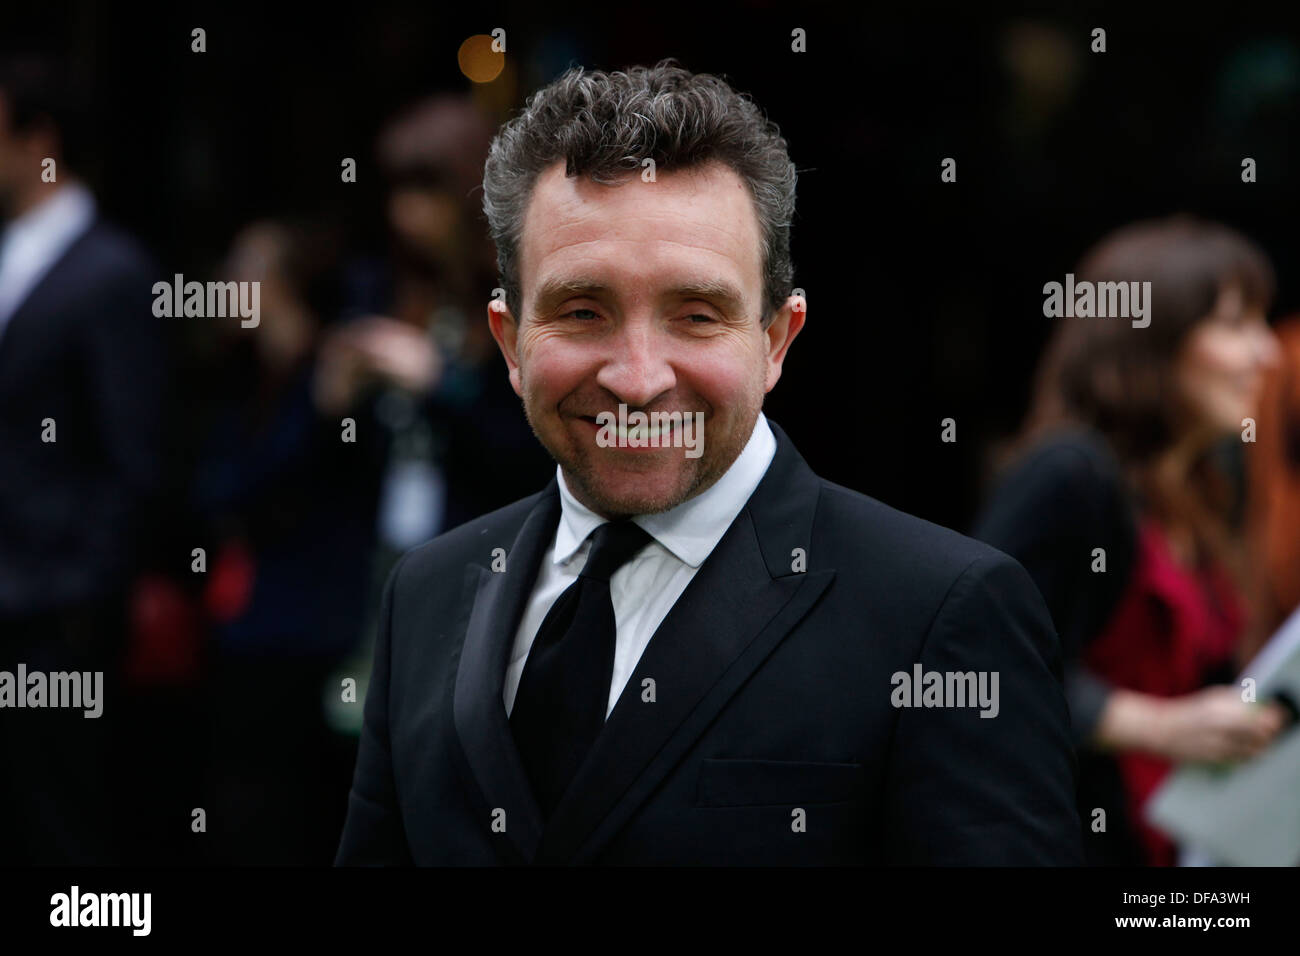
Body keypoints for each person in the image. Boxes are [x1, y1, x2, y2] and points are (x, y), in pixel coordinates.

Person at [336, 60, 1082, 866]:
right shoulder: (427, 594)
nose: (638, 376)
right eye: (583, 311)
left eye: (696, 315)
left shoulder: (940, 615)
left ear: (775, 341)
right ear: (509, 342)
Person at [972, 217, 1290, 866]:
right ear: (1149, 341)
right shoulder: (1070, 472)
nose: (1269, 353)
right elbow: (979, 668)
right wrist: (1160, 726)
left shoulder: (1200, 492)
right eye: (1235, 324)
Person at [0, 53, 168, 863]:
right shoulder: (14, 259)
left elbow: (134, 456)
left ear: (39, 137)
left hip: (53, 613)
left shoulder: (111, 271)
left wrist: (84, 604)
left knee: (65, 826)